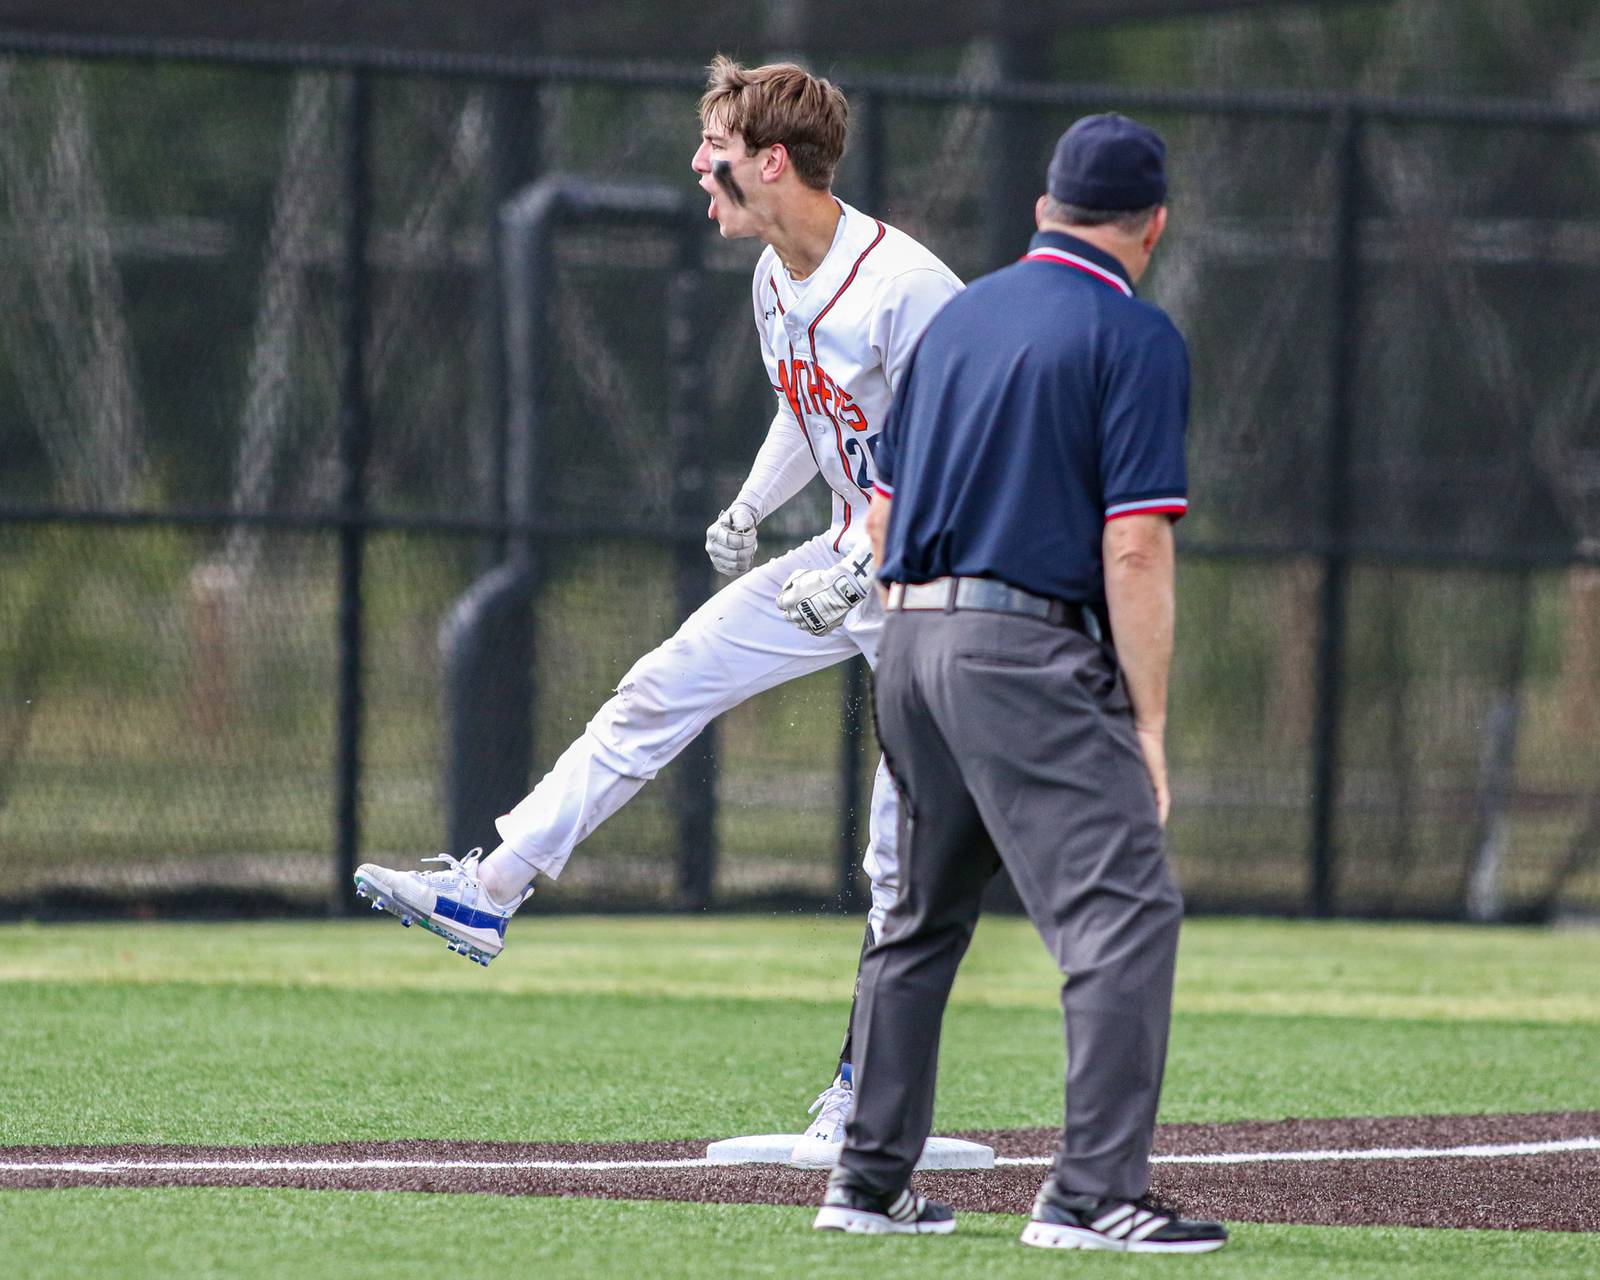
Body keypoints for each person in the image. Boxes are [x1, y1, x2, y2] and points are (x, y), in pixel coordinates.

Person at [355, 56, 962, 1163]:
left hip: (945, 581)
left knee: (896, 851)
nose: (697, 165)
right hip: (845, 552)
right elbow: (812, 410)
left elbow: (948, 453)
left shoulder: (908, 287)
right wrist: (750, 503)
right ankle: (490, 888)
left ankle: (863, 1097)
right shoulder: (775, 275)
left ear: (771, 161)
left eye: (716, 149)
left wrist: (866, 558)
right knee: (663, 678)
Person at [812, 114, 1228, 1251]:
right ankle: (1093, 1193)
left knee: (917, 917)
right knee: (1124, 911)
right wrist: (1145, 724)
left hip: (910, 639)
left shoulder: (959, 321)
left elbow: (881, 506)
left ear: (1042, 209)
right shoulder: (1133, 336)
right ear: (1153, 226)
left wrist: (917, 640)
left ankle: (867, 1178)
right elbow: (1134, 545)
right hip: (1021, 649)